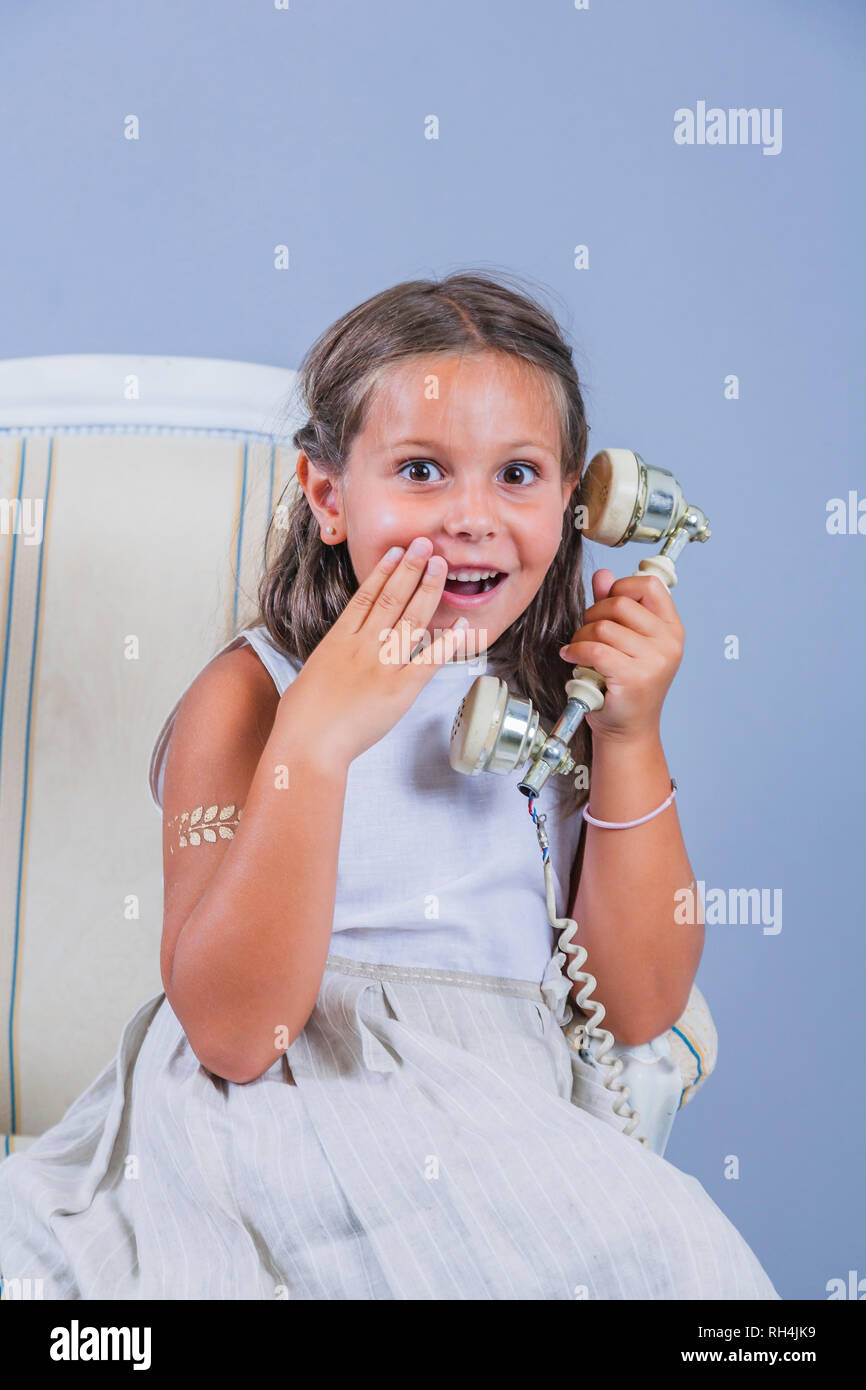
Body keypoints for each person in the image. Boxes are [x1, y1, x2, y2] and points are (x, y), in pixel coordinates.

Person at [0, 270, 780, 1300]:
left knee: (681, 1258)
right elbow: (235, 1036)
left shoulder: (559, 701)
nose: (471, 517)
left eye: (517, 474)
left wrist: (629, 733)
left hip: (498, 1124)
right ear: (329, 496)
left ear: (573, 497)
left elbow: (636, 1004)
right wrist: (315, 743)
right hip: (269, 1116)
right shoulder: (251, 695)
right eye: (420, 470)